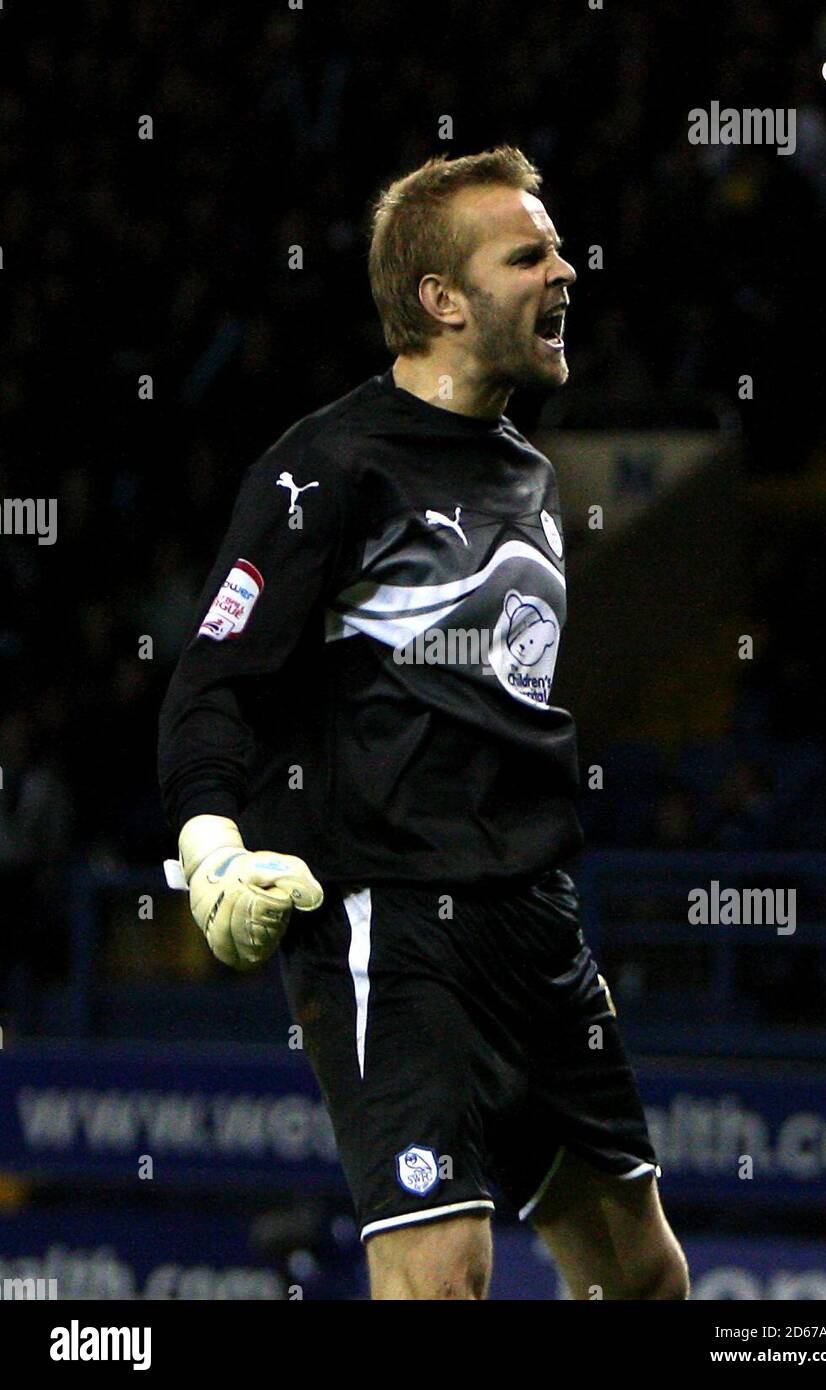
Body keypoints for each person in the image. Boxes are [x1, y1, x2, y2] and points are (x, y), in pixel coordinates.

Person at [158, 145, 688, 1301]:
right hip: (390, 920)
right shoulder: (324, 468)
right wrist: (210, 846)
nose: (565, 269)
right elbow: (212, 681)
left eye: (556, 247)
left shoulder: (527, 473)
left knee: (639, 1276)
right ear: (441, 300)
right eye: (528, 253)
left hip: (537, 922)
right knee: (441, 1274)